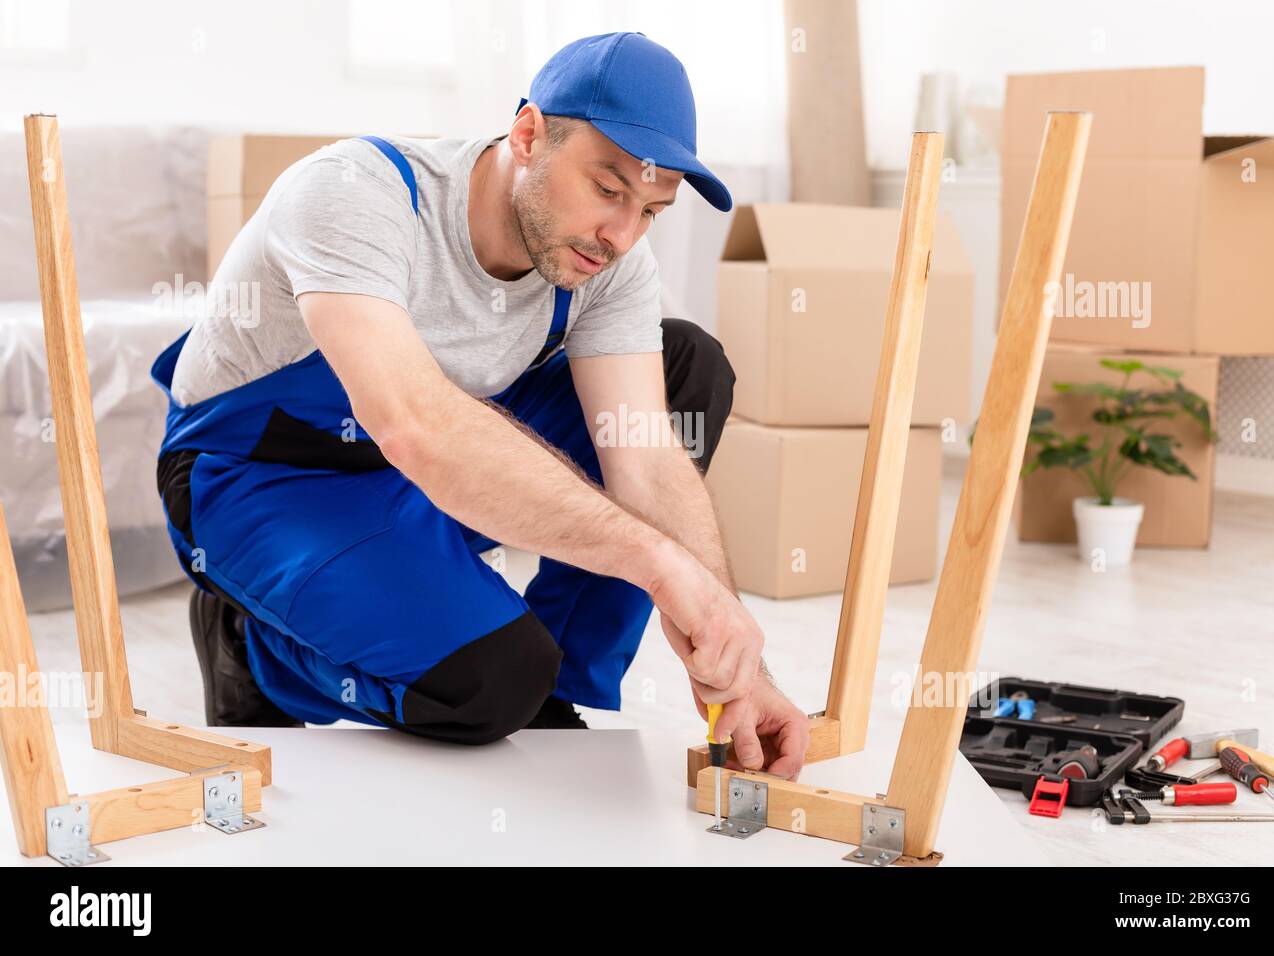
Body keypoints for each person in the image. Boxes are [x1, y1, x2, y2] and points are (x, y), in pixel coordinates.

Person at [151, 31, 809, 780]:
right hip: (266, 476)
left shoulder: (606, 261)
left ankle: (555, 693)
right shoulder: (356, 193)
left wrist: (737, 658)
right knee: (489, 684)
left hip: (434, 462)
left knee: (686, 363)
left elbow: (646, 459)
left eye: (651, 211)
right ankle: (253, 644)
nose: (622, 235)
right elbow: (415, 423)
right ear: (528, 134)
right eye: (608, 189)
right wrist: (661, 567)